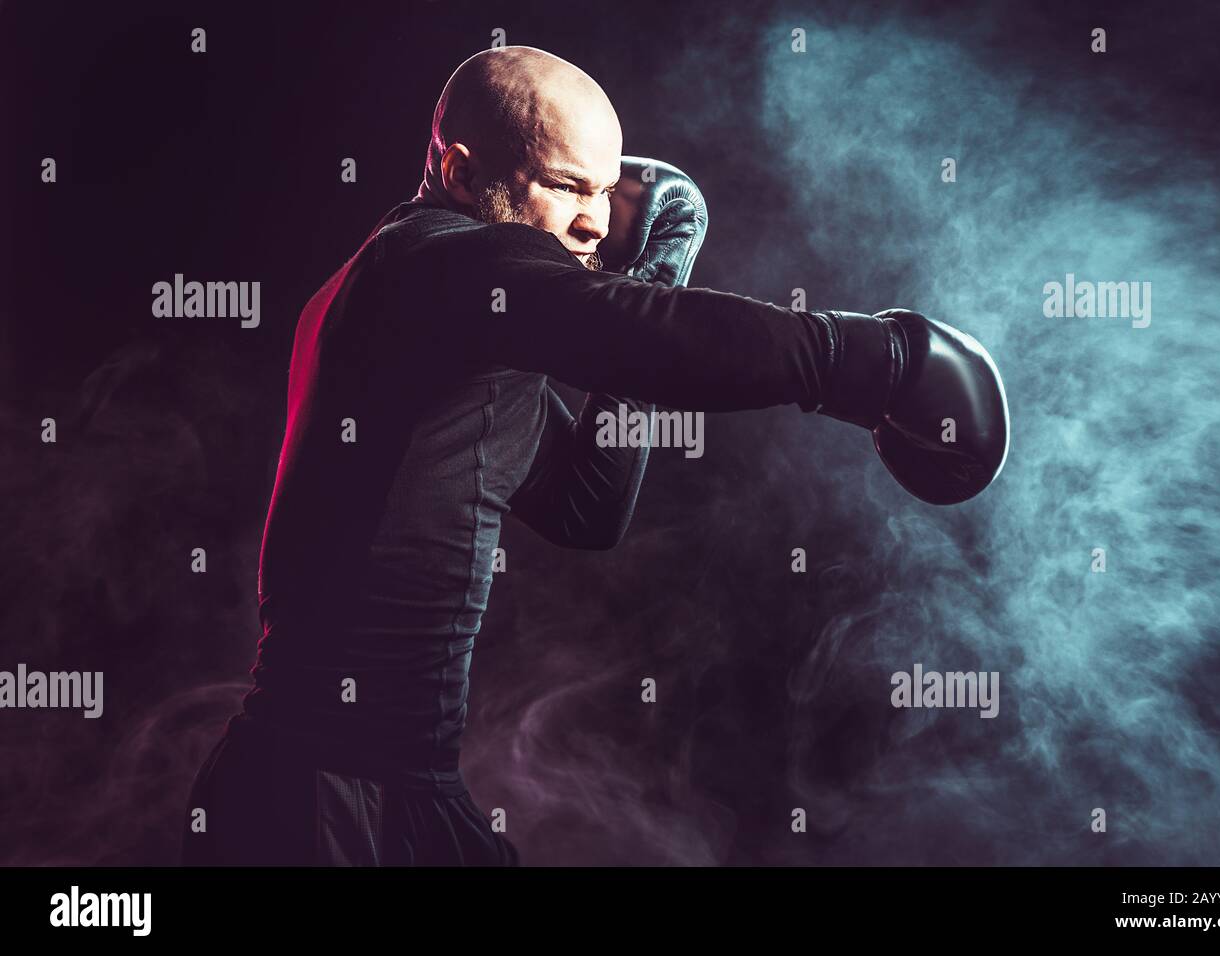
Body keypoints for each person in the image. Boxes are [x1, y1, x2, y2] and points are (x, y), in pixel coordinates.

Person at [180, 45, 1008, 866]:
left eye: (608, 191)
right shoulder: (431, 260)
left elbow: (588, 504)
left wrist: (659, 268)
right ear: (463, 174)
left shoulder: (448, 315)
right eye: (569, 187)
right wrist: (874, 363)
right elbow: (639, 335)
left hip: (389, 786)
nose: (597, 221)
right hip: (314, 797)